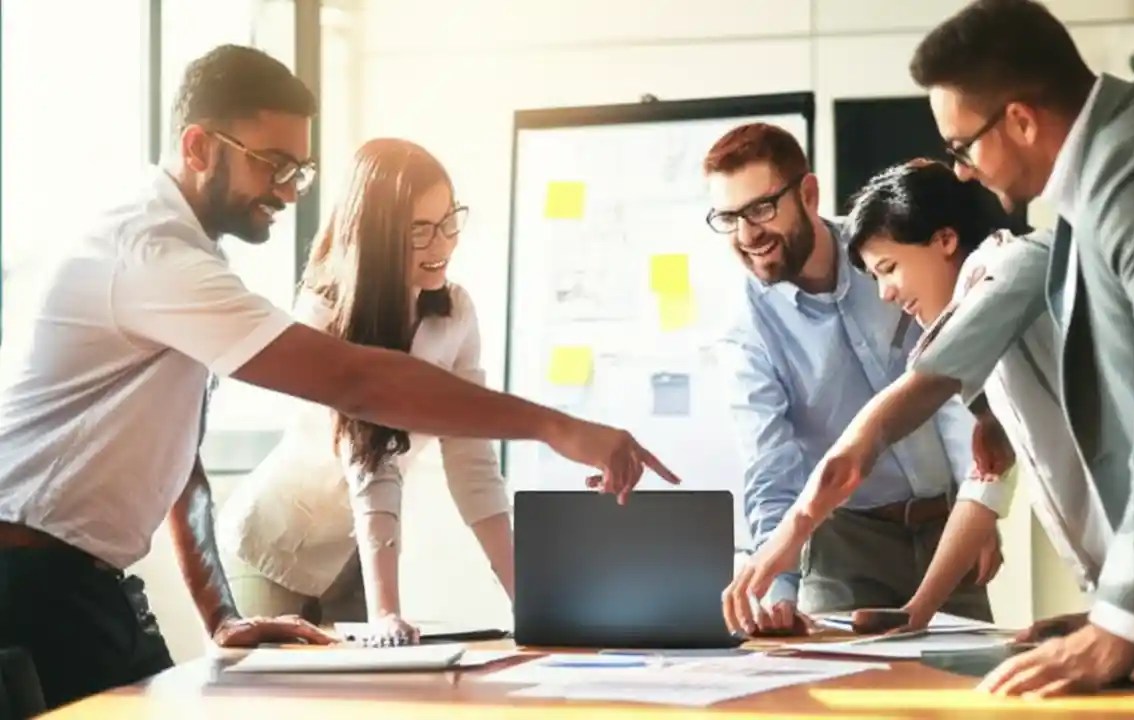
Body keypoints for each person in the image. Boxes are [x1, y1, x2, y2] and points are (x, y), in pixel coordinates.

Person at [0, 45, 677, 710]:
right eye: (274, 164)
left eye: (302, 168)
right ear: (200, 146)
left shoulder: (189, 265)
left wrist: (220, 615)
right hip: (31, 584)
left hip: (96, 587)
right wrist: (557, 425)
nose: (292, 190)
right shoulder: (151, 253)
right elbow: (358, 385)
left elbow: (179, 460)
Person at [909, 0, 1134, 712]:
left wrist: (1123, 621)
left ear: (1020, 119)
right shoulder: (1109, 165)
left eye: (962, 147)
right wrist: (1115, 611)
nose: (960, 172)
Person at [723, 160, 1111, 643]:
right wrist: (918, 611)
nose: (885, 294)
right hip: (1123, 584)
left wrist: (782, 541)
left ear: (945, 240)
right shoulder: (988, 342)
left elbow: (877, 430)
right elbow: (983, 484)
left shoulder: (1012, 272)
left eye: (889, 269)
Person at [705, 124, 1006, 636]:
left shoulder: (891, 245)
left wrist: (977, 507)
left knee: (964, 693)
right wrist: (777, 585)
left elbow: (955, 382)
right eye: (728, 218)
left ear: (808, 194)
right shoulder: (745, 328)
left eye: (760, 209)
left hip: (946, 524)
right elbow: (770, 465)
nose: (746, 234)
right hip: (844, 546)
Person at [216, 138, 514, 644]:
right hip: (271, 546)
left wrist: (526, 597)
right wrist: (386, 613)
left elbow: (473, 462)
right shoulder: (324, 313)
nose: (442, 244)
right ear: (376, 234)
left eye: (449, 221)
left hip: (353, 550)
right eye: (420, 230)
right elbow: (369, 457)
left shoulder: (456, 315)